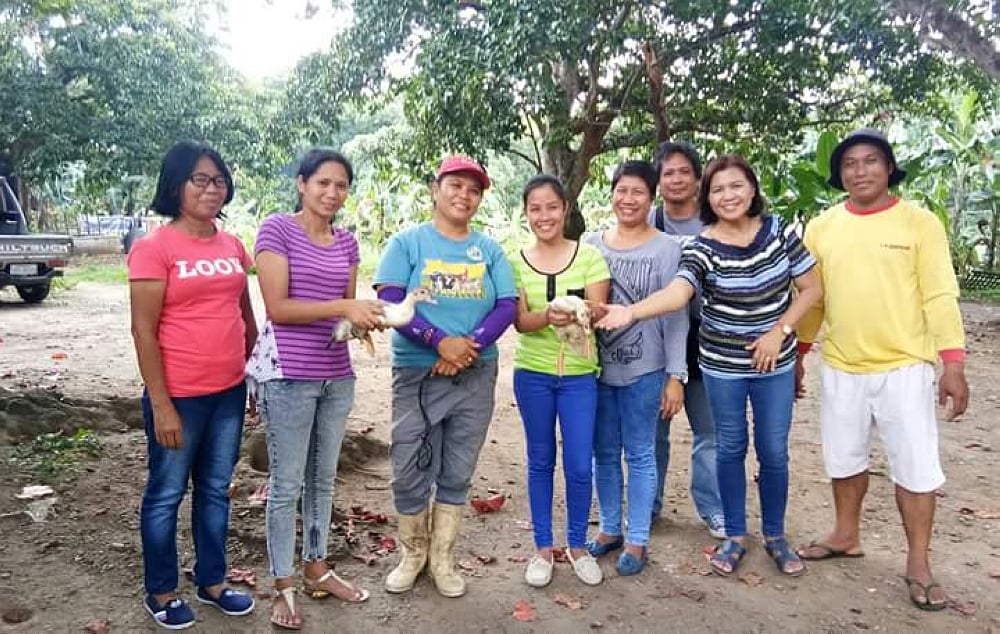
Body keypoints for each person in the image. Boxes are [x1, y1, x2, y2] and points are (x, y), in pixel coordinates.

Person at [597, 155, 822, 578]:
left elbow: (811, 287)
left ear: (752, 189)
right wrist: (631, 313)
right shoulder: (700, 244)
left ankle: (775, 536)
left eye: (736, 186)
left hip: (773, 363)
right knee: (729, 447)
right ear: (708, 197)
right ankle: (735, 535)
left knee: (773, 452)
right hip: (721, 364)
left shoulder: (780, 233)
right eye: (719, 190)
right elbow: (679, 293)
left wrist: (780, 331)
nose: (727, 196)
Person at [794, 129, 969, 611]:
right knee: (843, 459)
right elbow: (814, 298)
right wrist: (800, 356)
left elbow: (938, 293)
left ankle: (918, 561)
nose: (860, 171)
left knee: (914, 468)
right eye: (849, 164)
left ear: (889, 168)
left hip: (904, 368)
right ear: (840, 173)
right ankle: (846, 534)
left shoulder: (919, 223)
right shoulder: (823, 227)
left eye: (871, 161)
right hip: (843, 365)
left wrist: (952, 362)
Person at [247, 149, 382, 630]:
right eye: (323, 182)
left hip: (335, 374)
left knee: (323, 480)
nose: (332, 193)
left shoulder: (346, 242)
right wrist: (348, 304)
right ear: (302, 184)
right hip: (287, 376)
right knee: (286, 485)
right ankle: (283, 585)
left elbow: (338, 320)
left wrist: (362, 322)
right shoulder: (276, 229)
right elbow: (279, 308)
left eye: (341, 185)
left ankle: (317, 568)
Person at [128, 141, 257, 630]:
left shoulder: (231, 244)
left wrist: (252, 362)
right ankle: (161, 591)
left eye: (218, 180)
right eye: (199, 180)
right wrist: (161, 405)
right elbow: (143, 329)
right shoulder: (154, 248)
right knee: (165, 494)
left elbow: (243, 312)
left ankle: (213, 582)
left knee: (215, 491)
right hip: (178, 395)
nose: (211, 188)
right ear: (175, 185)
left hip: (228, 392)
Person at [374, 156, 517, 598]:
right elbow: (392, 300)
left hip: (475, 371)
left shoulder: (490, 249)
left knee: (457, 466)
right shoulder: (406, 243)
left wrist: (464, 346)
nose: (463, 195)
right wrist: (438, 342)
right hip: (417, 374)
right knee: (409, 464)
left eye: (473, 190)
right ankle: (412, 554)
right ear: (436, 190)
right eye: (455, 186)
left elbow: (507, 305)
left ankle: (442, 558)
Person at [583, 160, 689, 576]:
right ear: (611, 194)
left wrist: (675, 376)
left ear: (652, 197)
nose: (628, 199)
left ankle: (638, 538)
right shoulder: (591, 245)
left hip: (647, 370)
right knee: (603, 453)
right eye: (621, 190)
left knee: (641, 453)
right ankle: (609, 528)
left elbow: (676, 315)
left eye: (638, 192)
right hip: (597, 370)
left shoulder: (667, 248)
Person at [510, 175, 610, 587]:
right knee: (539, 460)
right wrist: (547, 316)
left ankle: (578, 545)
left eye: (552, 207)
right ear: (526, 213)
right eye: (535, 208)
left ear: (565, 208)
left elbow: (600, 312)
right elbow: (520, 322)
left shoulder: (589, 257)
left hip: (580, 375)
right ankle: (542, 548)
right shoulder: (515, 261)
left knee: (579, 461)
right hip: (533, 373)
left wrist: (582, 310)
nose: (544, 215)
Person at [647, 141, 726, 538]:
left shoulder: (717, 221)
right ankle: (649, 506)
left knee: (709, 429)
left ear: (698, 178)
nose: (676, 179)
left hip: (710, 338)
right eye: (667, 173)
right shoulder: (646, 219)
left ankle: (712, 508)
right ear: (657, 182)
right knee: (653, 430)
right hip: (656, 337)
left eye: (684, 172)